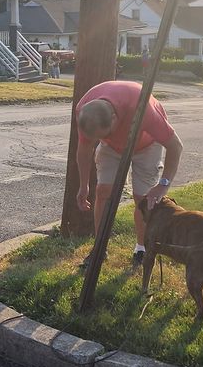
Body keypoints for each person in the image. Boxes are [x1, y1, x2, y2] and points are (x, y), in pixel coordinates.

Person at [76, 80, 183, 264]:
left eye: (105, 134)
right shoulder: (85, 110)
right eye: (98, 138)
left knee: (143, 199)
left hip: (147, 145)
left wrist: (163, 185)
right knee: (103, 191)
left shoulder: (142, 110)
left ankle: (141, 248)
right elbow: (84, 149)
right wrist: (83, 184)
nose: (102, 139)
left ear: (115, 118)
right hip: (112, 149)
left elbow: (175, 146)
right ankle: (100, 248)